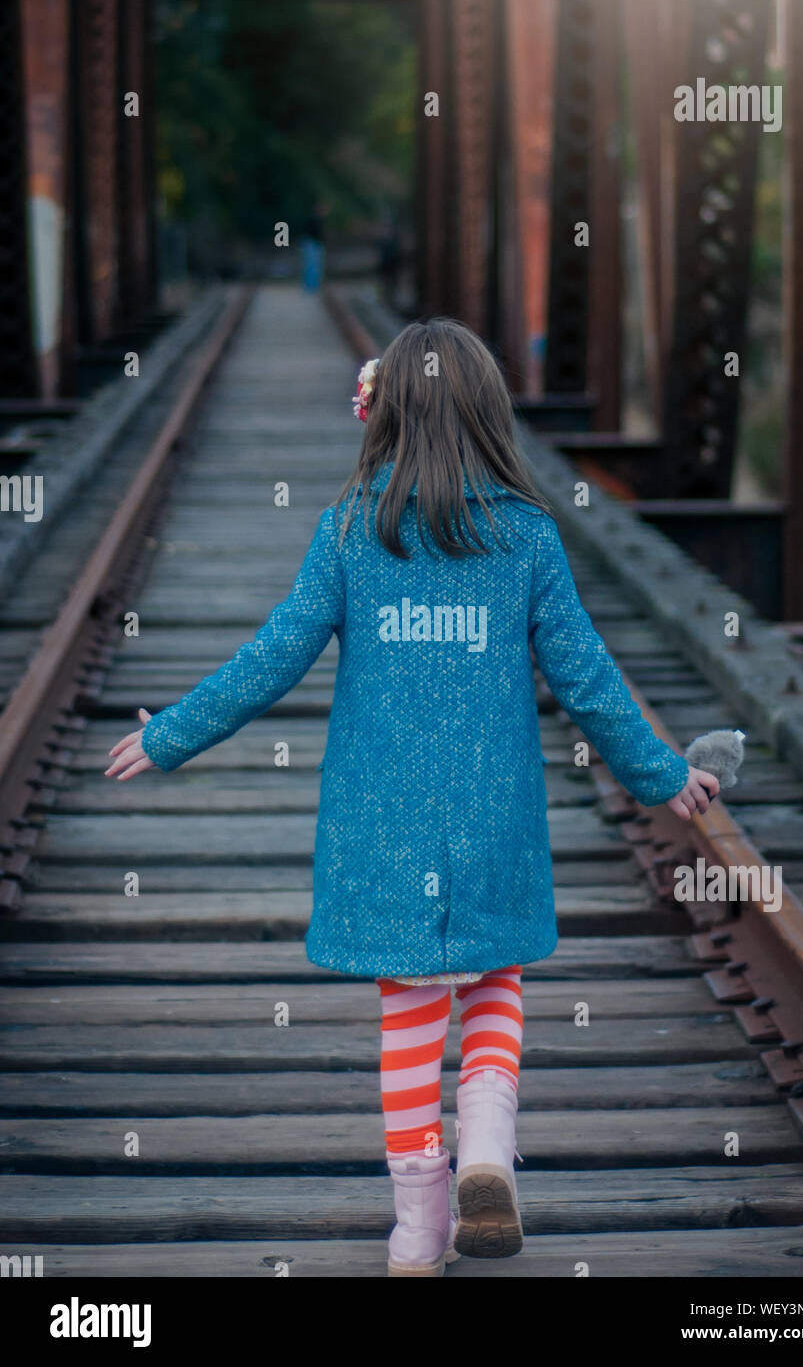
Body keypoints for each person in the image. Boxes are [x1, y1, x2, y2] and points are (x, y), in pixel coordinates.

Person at [105, 318, 718, 1277]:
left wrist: (167, 734)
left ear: (382, 410)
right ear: (488, 414)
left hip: (380, 834)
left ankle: (416, 1234)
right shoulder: (524, 536)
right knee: (496, 983)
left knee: (407, 1014)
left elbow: (273, 656)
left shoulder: (352, 529)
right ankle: (486, 1150)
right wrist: (665, 776)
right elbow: (592, 683)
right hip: (494, 825)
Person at [300, 201, 327, 291]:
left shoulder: (317, 220)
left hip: (313, 244)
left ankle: (312, 286)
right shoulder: (314, 220)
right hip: (312, 244)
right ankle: (310, 287)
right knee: (312, 266)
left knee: (313, 266)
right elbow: (316, 234)